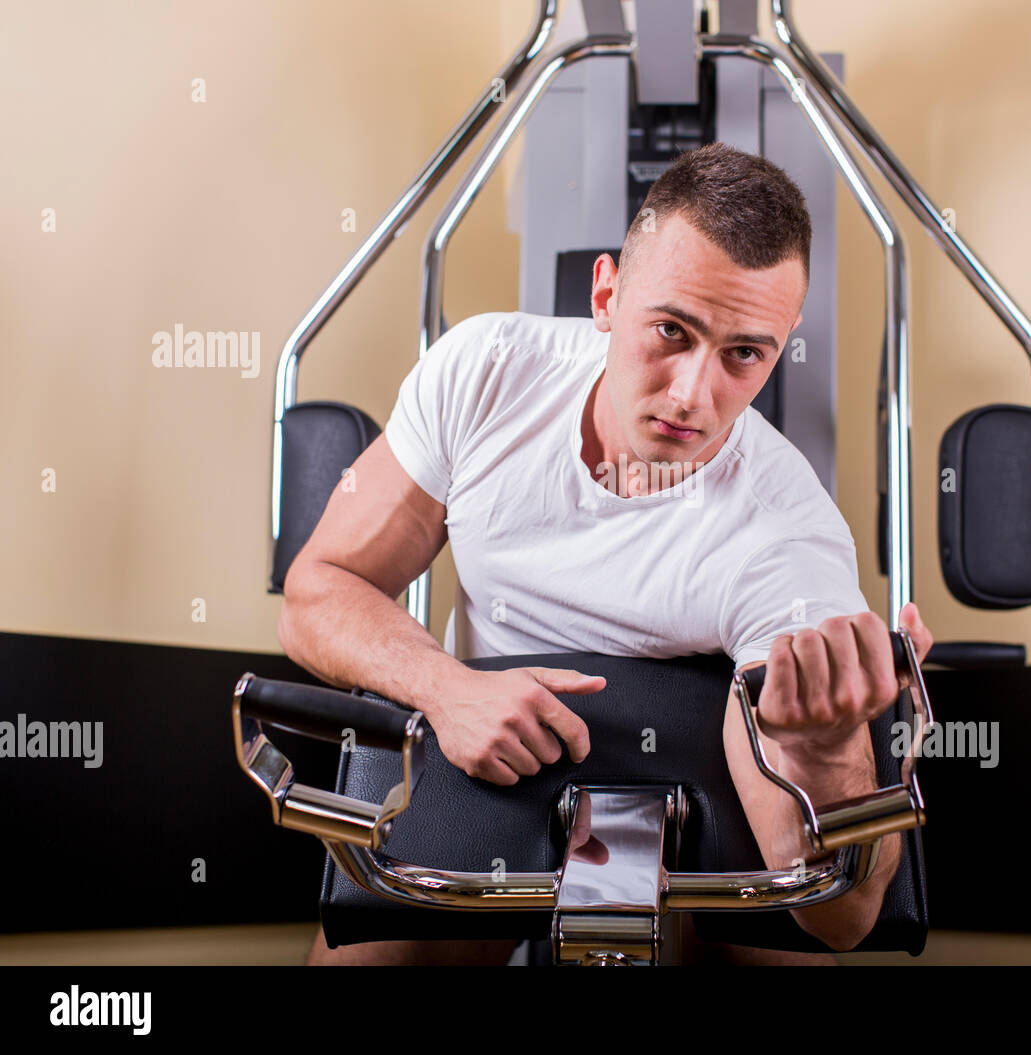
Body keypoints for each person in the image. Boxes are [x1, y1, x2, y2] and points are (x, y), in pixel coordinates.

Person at [283, 142, 933, 966]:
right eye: (671, 329)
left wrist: (833, 750)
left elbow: (840, 921)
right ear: (606, 294)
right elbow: (317, 589)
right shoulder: (485, 373)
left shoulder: (787, 534)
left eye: (745, 353)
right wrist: (446, 686)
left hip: (688, 817)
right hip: (488, 776)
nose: (694, 395)